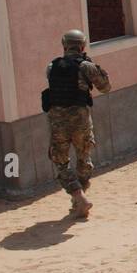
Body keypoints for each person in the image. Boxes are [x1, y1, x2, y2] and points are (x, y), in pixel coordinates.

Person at [43, 29, 111, 218]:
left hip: (57, 120)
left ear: (64, 46)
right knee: (84, 158)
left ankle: (77, 198)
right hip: (80, 119)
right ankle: (81, 198)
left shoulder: (51, 66)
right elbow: (105, 88)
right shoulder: (86, 66)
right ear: (82, 46)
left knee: (62, 163)